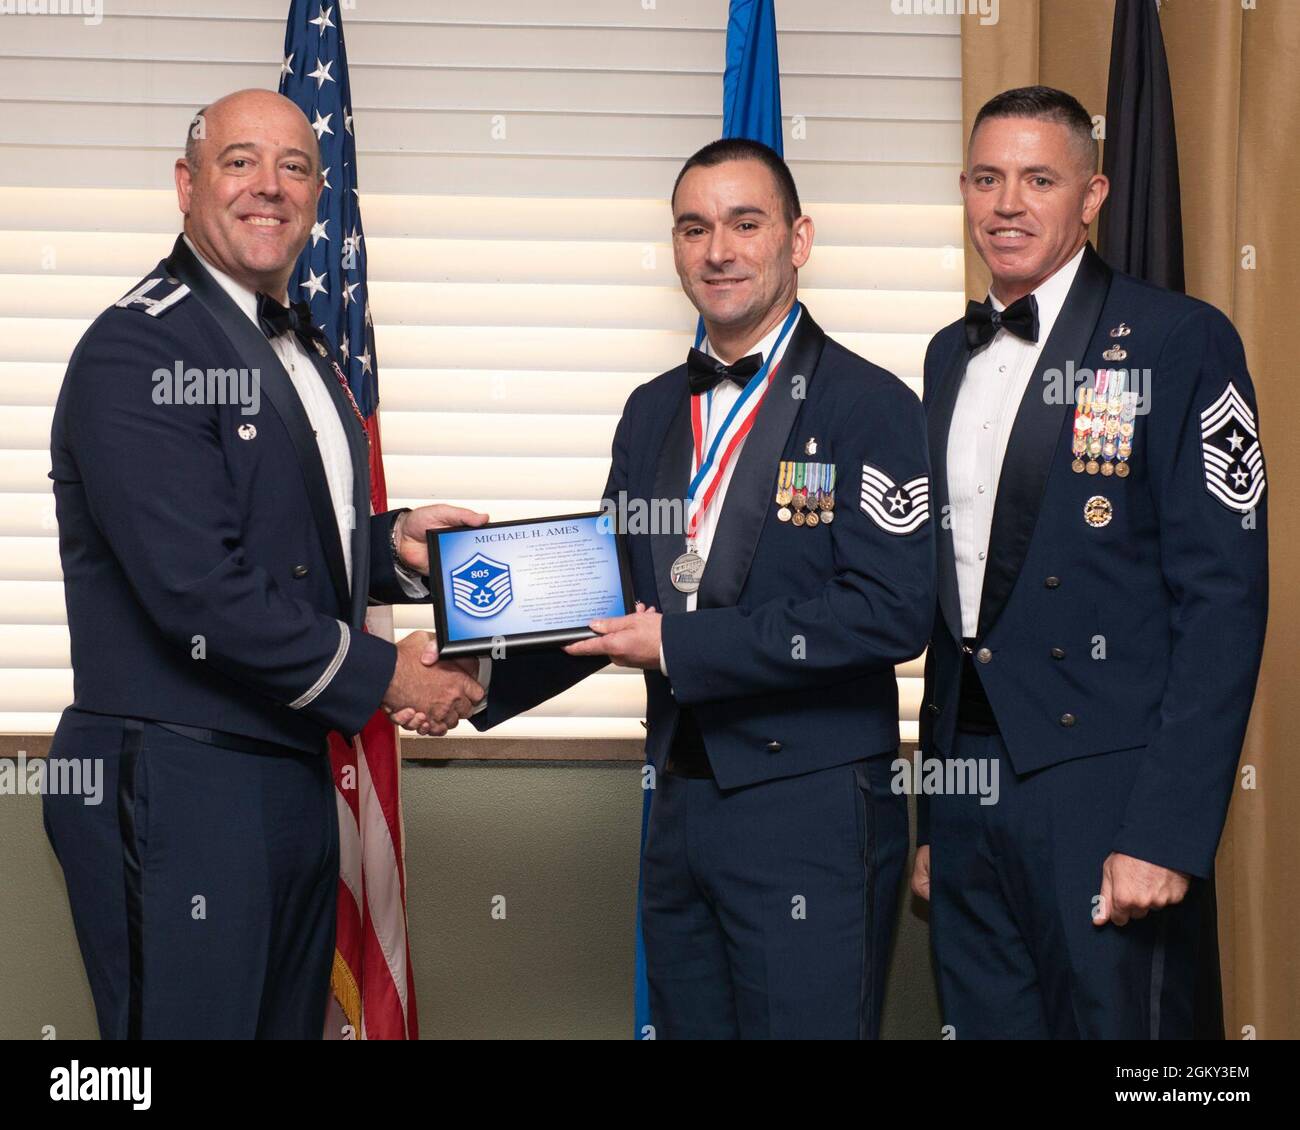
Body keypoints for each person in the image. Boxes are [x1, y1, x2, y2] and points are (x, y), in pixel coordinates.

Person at [399, 139, 934, 1038]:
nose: (717, 249)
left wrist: (681, 647)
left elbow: (891, 611)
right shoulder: (652, 409)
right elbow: (602, 597)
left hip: (812, 816)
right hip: (679, 806)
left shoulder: (871, 404)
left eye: (744, 223)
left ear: (798, 239)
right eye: (694, 228)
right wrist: (470, 672)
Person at [44, 89, 485, 1039]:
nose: (268, 188)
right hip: (177, 779)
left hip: (280, 768)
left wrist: (397, 547)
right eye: (240, 162)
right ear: (186, 185)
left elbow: (281, 544)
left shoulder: (292, 340)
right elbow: (198, 590)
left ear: (319, 194)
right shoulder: (142, 347)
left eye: (294, 168)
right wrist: (392, 675)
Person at [911, 86, 1268, 1039]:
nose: (1008, 204)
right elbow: (955, 601)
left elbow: (1223, 604)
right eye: (988, 179)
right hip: (972, 785)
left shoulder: (1181, 340)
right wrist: (933, 818)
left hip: (1109, 790)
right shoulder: (948, 355)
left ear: (1093, 194)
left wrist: (1165, 834)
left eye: (1039, 179)